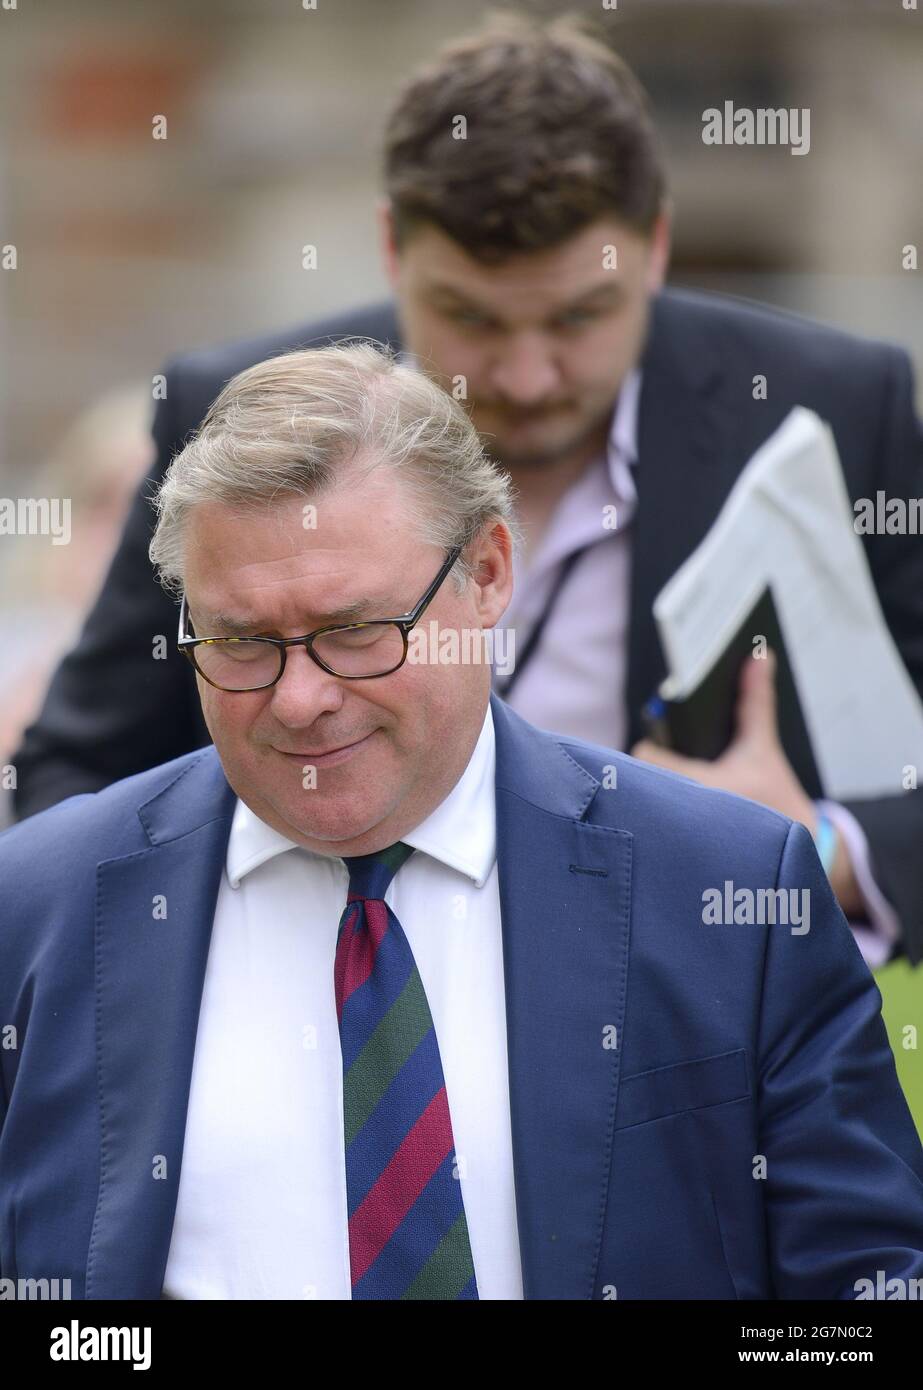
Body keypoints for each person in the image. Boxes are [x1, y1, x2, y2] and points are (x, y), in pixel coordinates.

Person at [2, 343, 922, 1301]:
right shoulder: (37, 909)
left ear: (486, 575)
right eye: (240, 642)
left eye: (357, 630)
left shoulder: (728, 890)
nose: (300, 699)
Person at [11, 14, 923, 967]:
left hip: (696, 1024)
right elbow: (78, 767)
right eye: (471, 317)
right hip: (320, 990)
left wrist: (815, 849)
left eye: (579, 316)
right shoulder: (229, 410)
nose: (527, 376)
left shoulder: (829, 408)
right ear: (392, 249)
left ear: (652, 247)